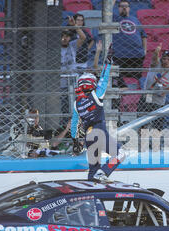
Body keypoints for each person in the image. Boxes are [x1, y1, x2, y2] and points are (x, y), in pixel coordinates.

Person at [70, 44, 127, 181]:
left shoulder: (76, 103)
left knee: (93, 169)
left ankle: (91, 189)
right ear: (92, 84)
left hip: (88, 137)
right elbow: (104, 79)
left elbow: (73, 126)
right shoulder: (96, 96)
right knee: (120, 154)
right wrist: (107, 60)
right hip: (100, 132)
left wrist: (75, 141)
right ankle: (105, 172)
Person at [143, 44, 169, 130]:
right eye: (164, 59)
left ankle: (157, 142)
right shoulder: (156, 65)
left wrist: (166, 91)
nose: (165, 61)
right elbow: (154, 59)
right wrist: (156, 52)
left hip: (159, 100)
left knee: (158, 125)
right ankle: (142, 141)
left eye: (168, 59)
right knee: (142, 122)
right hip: (147, 96)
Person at [112, 0, 147, 79]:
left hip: (137, 54)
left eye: (126, 6)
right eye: (122, 6)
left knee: (137, 78)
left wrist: (145, 50)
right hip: (120, 55)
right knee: (119, 79)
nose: (124, 8)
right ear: (118, 8)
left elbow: (144, 35)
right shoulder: (115, 18)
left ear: (129, 8)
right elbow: (108, 11)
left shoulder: (135, 19)